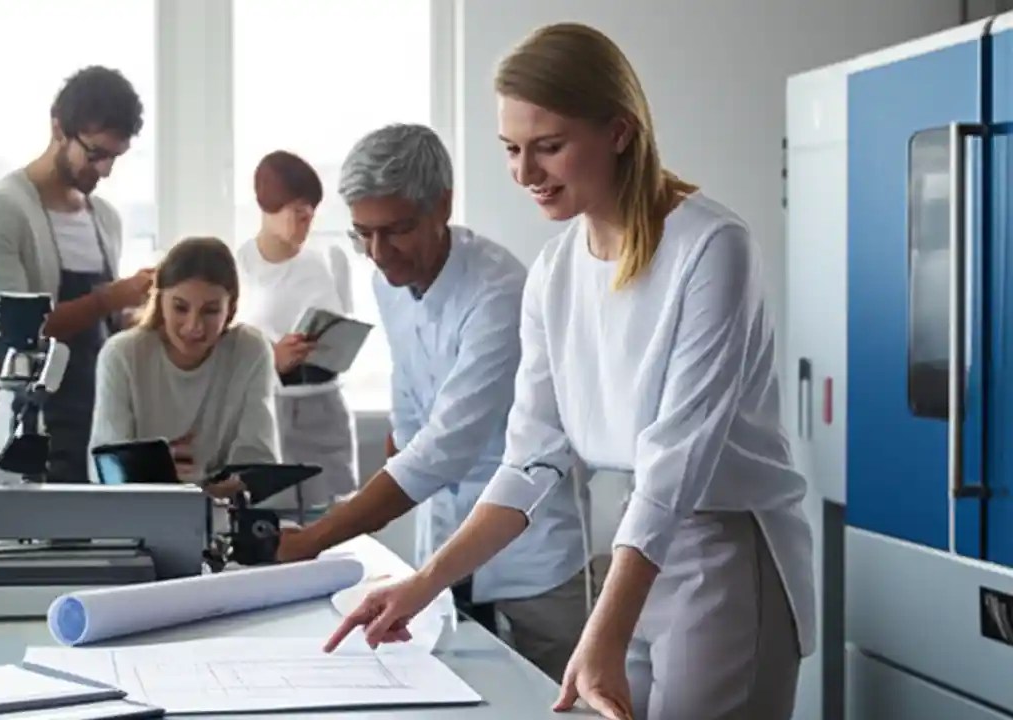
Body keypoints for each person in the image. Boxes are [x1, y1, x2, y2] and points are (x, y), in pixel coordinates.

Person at [324, 23, 815, 720]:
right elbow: (529, 462)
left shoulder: (711, 247)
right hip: (629, 555)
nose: (526, 173)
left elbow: (676, 464)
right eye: (512, 150)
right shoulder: (556, 271)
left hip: (723, 554)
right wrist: (425, 583)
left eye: (548, 147)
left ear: (618, 131)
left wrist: (605, 631)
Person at [277, 124, 588, 680]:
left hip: (531, 557)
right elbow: (411, 408)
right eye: (361, 235)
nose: (377, 254)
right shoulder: (386, 280)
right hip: (444, 545)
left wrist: (315, 539)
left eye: (395, 231)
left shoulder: (498, 292)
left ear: (441, 205)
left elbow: (444, 449)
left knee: (558, 702)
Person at [0, 65, 154, 484]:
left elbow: (105, 329)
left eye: (115, 158)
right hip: (25, 429)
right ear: (58, 130)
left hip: (96, 420)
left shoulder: (105, 218)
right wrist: (110, 298)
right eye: (96, 153)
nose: (104, 170)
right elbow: (15, 331)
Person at [89, 237, 279, 485]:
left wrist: (207, 488)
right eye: (180, 308)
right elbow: (107, 468)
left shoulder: (250, 351)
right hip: (137, 512)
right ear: (160, 300)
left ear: (230, 308)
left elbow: (258, 463)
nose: (194, 326)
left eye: (210, 311)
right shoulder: (123, 355)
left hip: (220, 511)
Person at [235, 150, 357, 516]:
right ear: (269, 207)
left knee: (333, 517)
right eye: (298, 215)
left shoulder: (328, 260)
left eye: (311, 215)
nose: (306, 224)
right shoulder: (239, 266)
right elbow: (225, 351)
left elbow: (343, 326)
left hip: (324, 404)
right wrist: (272, 359)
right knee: (271, 515)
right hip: (270, 406)